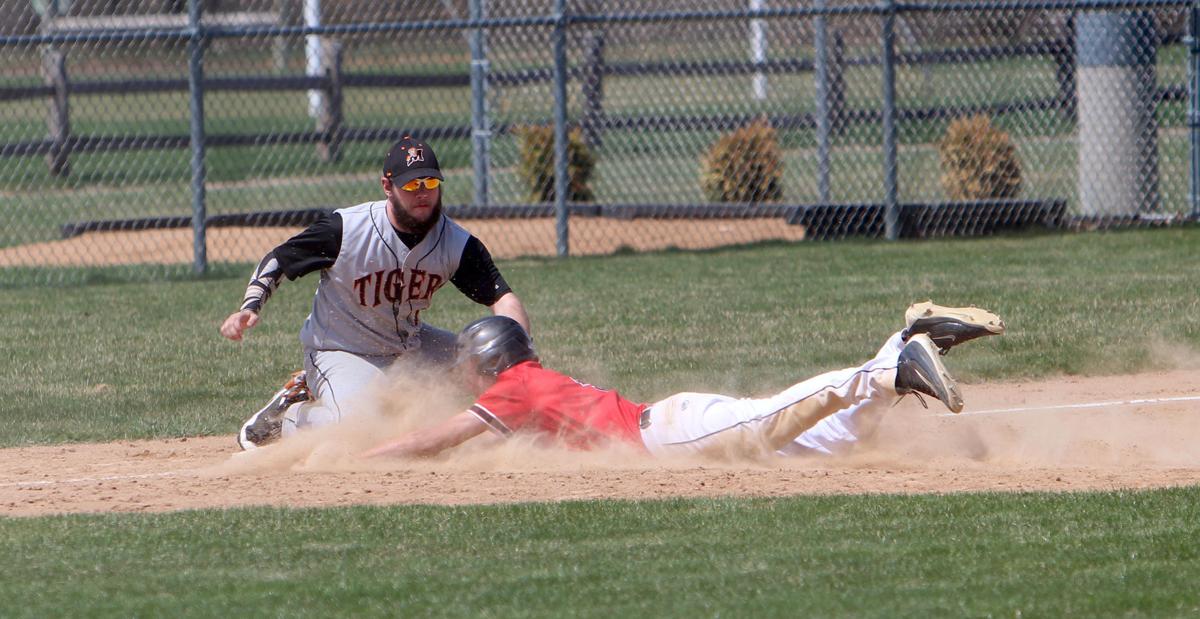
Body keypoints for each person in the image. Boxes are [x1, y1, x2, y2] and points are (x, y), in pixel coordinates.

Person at [363, 302, 1004, 461]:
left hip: (668, 435)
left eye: (469, 367)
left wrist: (360, 459)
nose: (466, 379)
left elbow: (439, 437)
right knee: (832, 443)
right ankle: (903, 345)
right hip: (672, 424)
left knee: (768, 421)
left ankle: (889, 369)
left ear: (489, 363)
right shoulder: (532, 384)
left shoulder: (514, 387)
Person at [220, 136, 531, 451]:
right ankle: (290, 414)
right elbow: (279, 259)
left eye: (430, 183)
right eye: (411, 185)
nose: (422, 192)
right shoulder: (348, 230)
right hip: (341, 349)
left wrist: (520, 354)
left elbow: (502, 298)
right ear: (387, 186)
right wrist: (250, 306)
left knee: (494, 364)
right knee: (358, 429)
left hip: (410, 344)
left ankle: (522, 431)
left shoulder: (455, 242)